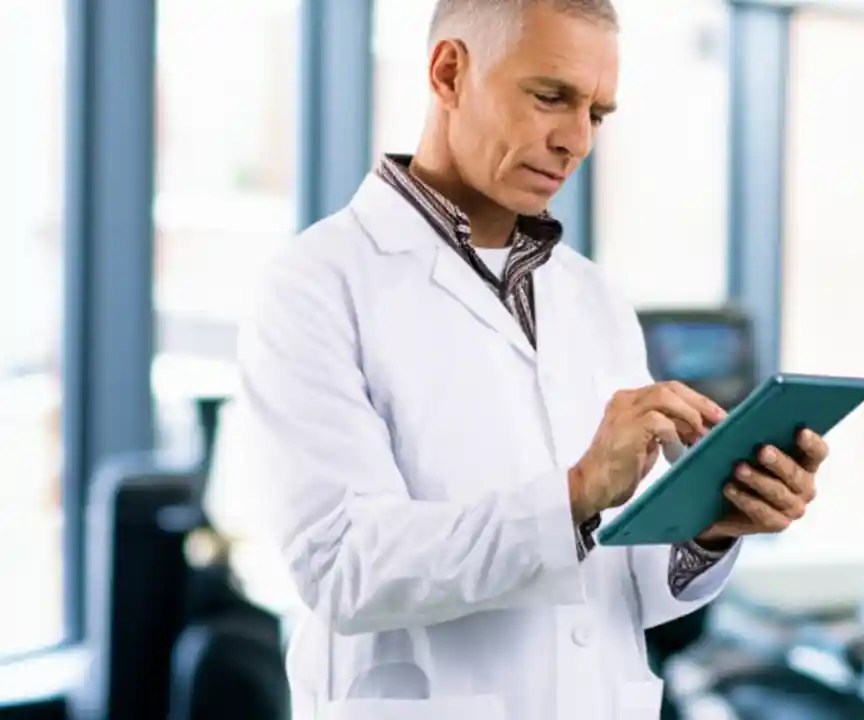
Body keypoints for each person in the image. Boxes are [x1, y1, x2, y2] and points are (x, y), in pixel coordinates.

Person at [238, 1, 829, 718]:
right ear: (450, 72)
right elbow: (343, 567)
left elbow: (620, 585)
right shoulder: (317, 284)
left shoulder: (592, 296)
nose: (576, 140)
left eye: (598, 113)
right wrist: (577, 490)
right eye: (551, 97)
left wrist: (710, 524)